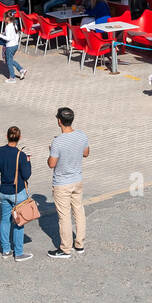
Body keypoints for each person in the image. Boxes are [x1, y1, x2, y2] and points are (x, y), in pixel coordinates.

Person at [47, 106, 89, 259]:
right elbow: (86, 153)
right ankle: (80, 244)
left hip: (62, 183)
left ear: (59, 121)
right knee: (79, 211)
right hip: (77, 179)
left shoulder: (57, 142)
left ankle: (65, 249)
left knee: (64, 216)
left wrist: (51, 152)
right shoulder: (81, 135)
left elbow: (51, 164)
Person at [0, 126, 33, 261]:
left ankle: (6, 250)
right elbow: (26, 175)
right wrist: (28, 162)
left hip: (3, 191)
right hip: (17, 193)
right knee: (19, 221)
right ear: (19, 138)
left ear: (7, 136)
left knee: (5, 220)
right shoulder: (21, 155)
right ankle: (19, 252)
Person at [0, 12, 27, 82]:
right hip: (15, 45)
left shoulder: (8, 27)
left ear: (7, 18)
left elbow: (8, 38)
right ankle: (21, 70)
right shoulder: (14, 24)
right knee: (10, 60)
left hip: (10, 46)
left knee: (9, 62)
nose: (3, 19)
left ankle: (12, 78)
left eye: (4, 17)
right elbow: (16, 35)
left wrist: (0, 35)